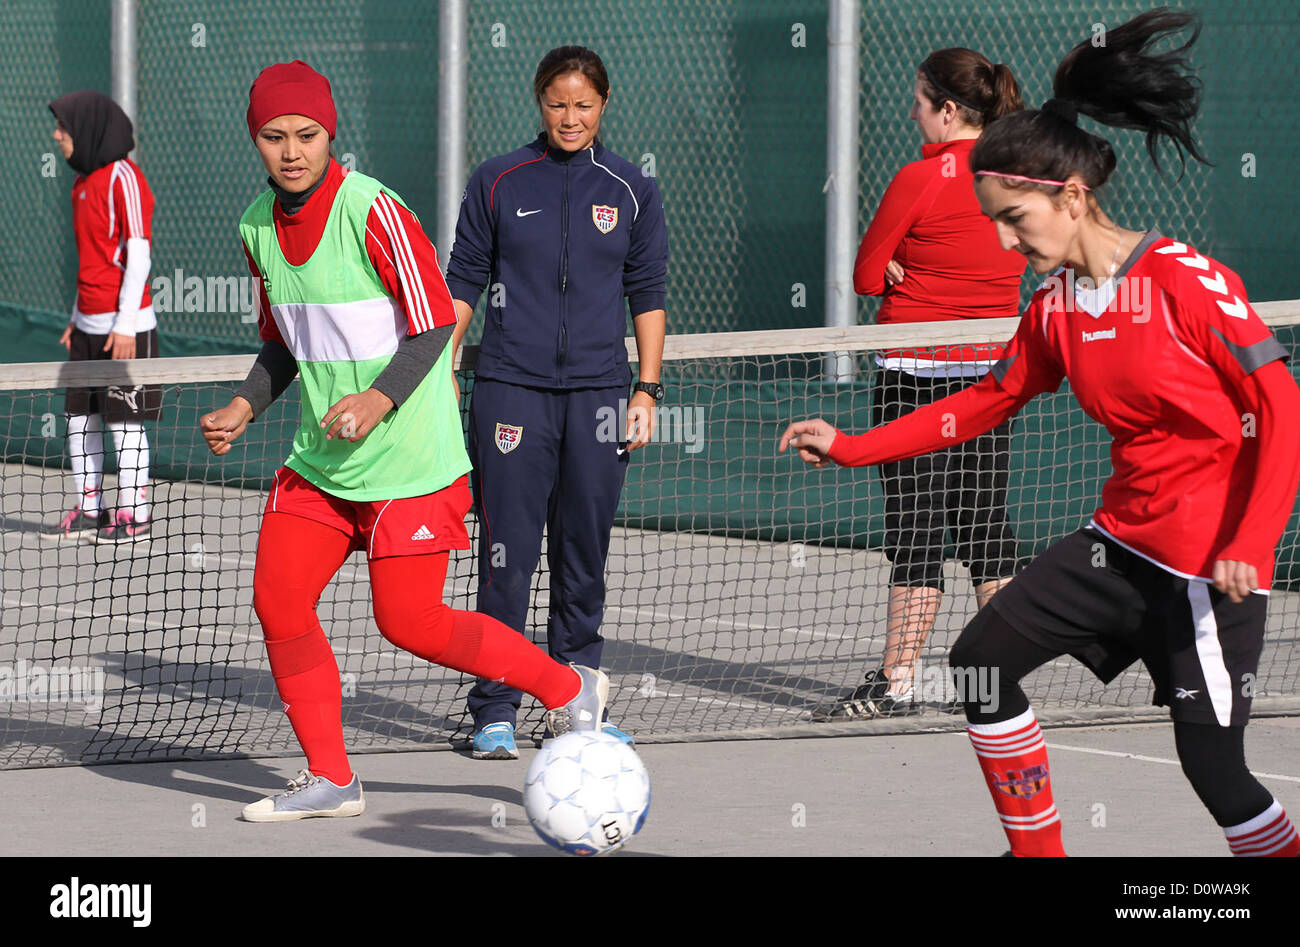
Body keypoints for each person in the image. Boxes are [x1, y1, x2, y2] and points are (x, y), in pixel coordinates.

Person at [781, 9, 1300, 856]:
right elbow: (979, 401)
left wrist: (1252, 535)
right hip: (1118, 546)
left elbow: (1281, 405)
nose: (1002, 238)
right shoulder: (1057, 309)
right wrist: (850, 445)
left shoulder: (1183, 280)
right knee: (981, 663)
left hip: (1207, 566)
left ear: (1072, 196)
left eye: (1014, 218)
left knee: (1216, 770)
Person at [201, 61, 608, 821]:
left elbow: (433, 321)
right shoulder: (256, 224)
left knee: (408, 621)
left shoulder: (373, 210)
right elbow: (288, 342)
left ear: (331, 136)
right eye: (274, 136)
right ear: (255, 140)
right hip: (323, 460)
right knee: (278, 598)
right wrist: (244, 405)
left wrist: (377, 398)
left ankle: (568, 686)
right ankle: (331, 778)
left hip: (409, 458)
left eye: (308, 135)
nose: (292, 151)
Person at [445, 46, 668, 760]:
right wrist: (445, 367)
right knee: (507, 556)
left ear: (605, 106)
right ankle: (494, 709)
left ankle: (576, 704)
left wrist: (647, 387)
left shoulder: (632, 187)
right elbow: (463, 282)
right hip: (511, 391)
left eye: (584, 104)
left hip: (602, 396)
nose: (570, 117)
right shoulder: (497, 179)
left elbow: (649, 294)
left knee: (584, 556)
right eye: (557, 102)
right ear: (538, 102)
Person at [815, 49, 1027, 721]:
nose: (911, 110)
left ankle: (897, 680)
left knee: (916, 531)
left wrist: (906, 263)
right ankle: (1002, 679)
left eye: (919, 99)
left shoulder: (919, 179)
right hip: (990, 379)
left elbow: (867, 275)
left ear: (947, 109)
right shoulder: (1016, 175)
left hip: (913, 376)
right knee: (987, 528)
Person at [43, 90, 160, 544]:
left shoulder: (123, 178)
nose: (57, 135)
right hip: (89, 326)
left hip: (124, 328)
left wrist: (125, 324)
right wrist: (77, 316)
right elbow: (93, 261)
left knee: (123, 423)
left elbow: (139, 254)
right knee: (79, 419)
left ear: (88, 130)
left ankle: (135, 515)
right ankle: (92, 509)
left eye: (63, 128)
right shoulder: (81, 184)